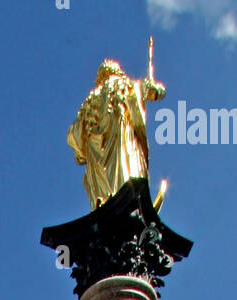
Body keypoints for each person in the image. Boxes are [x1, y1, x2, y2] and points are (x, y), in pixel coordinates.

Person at [67, 50, 165, 209]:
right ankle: (130, 200)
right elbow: (157, 92)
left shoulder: (89, 103)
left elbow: (76, 139)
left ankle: (104, 200)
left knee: (105, 186)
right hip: (121, 141)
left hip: (95, 155)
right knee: (124, 175)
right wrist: (151, 85)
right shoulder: (125, 84)